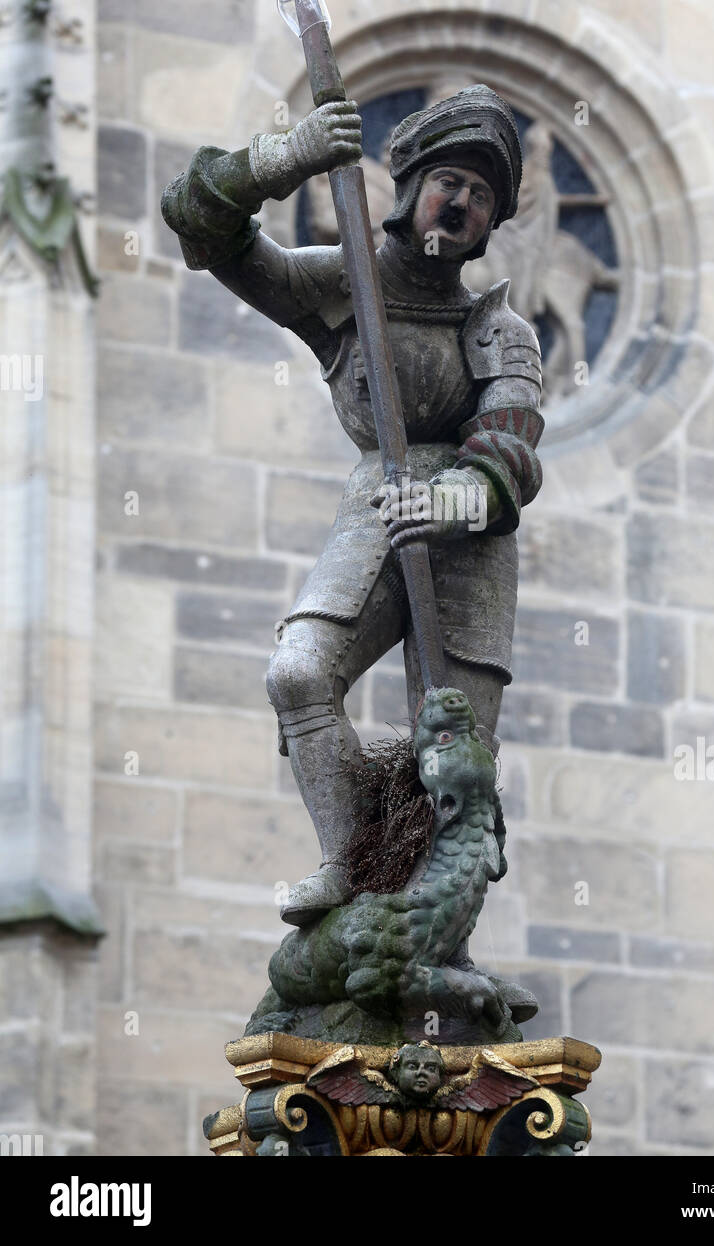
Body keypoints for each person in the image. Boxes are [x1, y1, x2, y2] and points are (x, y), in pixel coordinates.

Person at [161, 85, 544, 926]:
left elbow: (512, 448)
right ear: (410, 189)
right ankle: (346, 858)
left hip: (469, 541)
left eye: (483, 197)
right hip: (376, 503)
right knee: (299, 671)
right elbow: (201, 232)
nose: (465, 204)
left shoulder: (500, 328)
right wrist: (282, 159)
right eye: (452, 181)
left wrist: (459, 497)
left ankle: (438, 950)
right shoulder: (342, 284)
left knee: (455, 759)